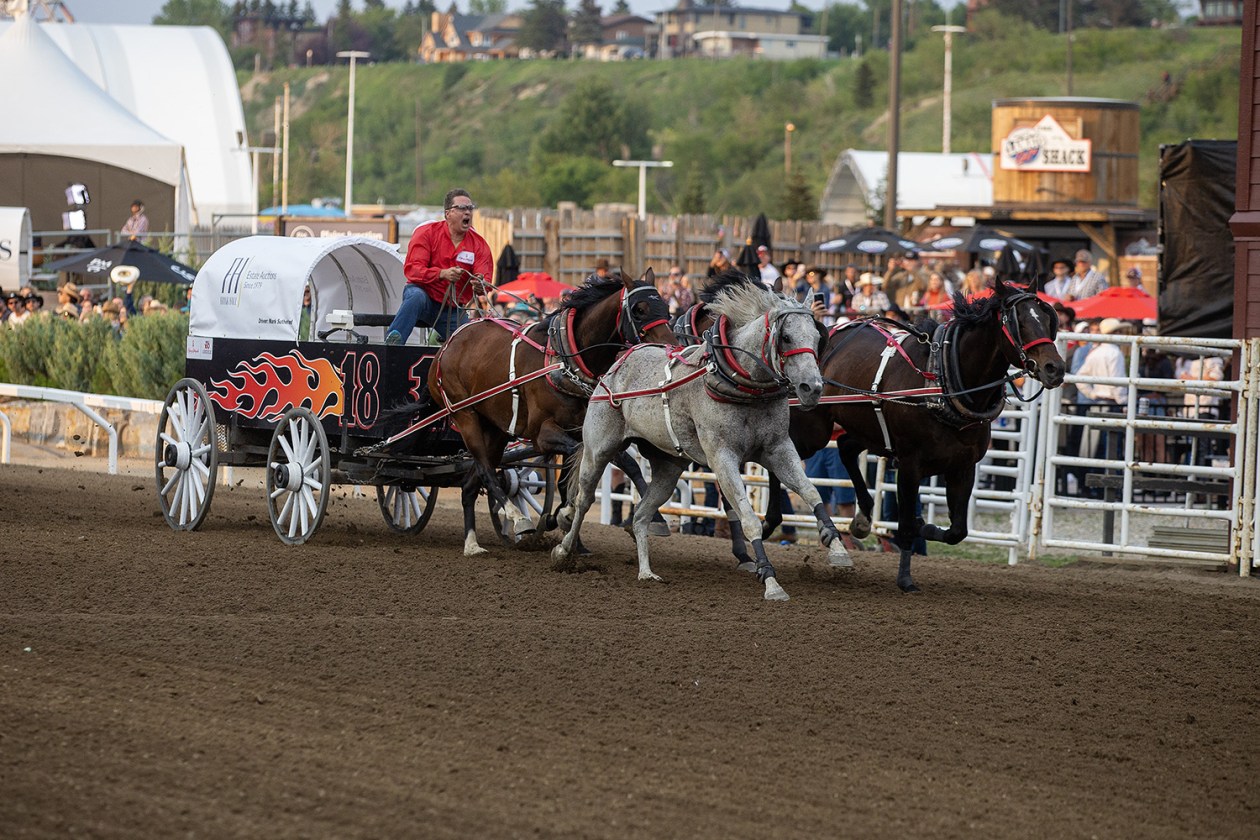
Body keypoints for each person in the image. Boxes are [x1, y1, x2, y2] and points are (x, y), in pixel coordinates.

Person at [386, 188, 493, 345]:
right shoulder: (427, 233)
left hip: (452, 309)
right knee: (415, 297)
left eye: (470, 208)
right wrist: (441, 274)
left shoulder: (479, 244)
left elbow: (485, 280)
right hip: (423, 297)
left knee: (471, 343)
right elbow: (412, 270)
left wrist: (480, 284)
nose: (467, 212)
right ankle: (394, 343)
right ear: (447, 213)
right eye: (461, 208)